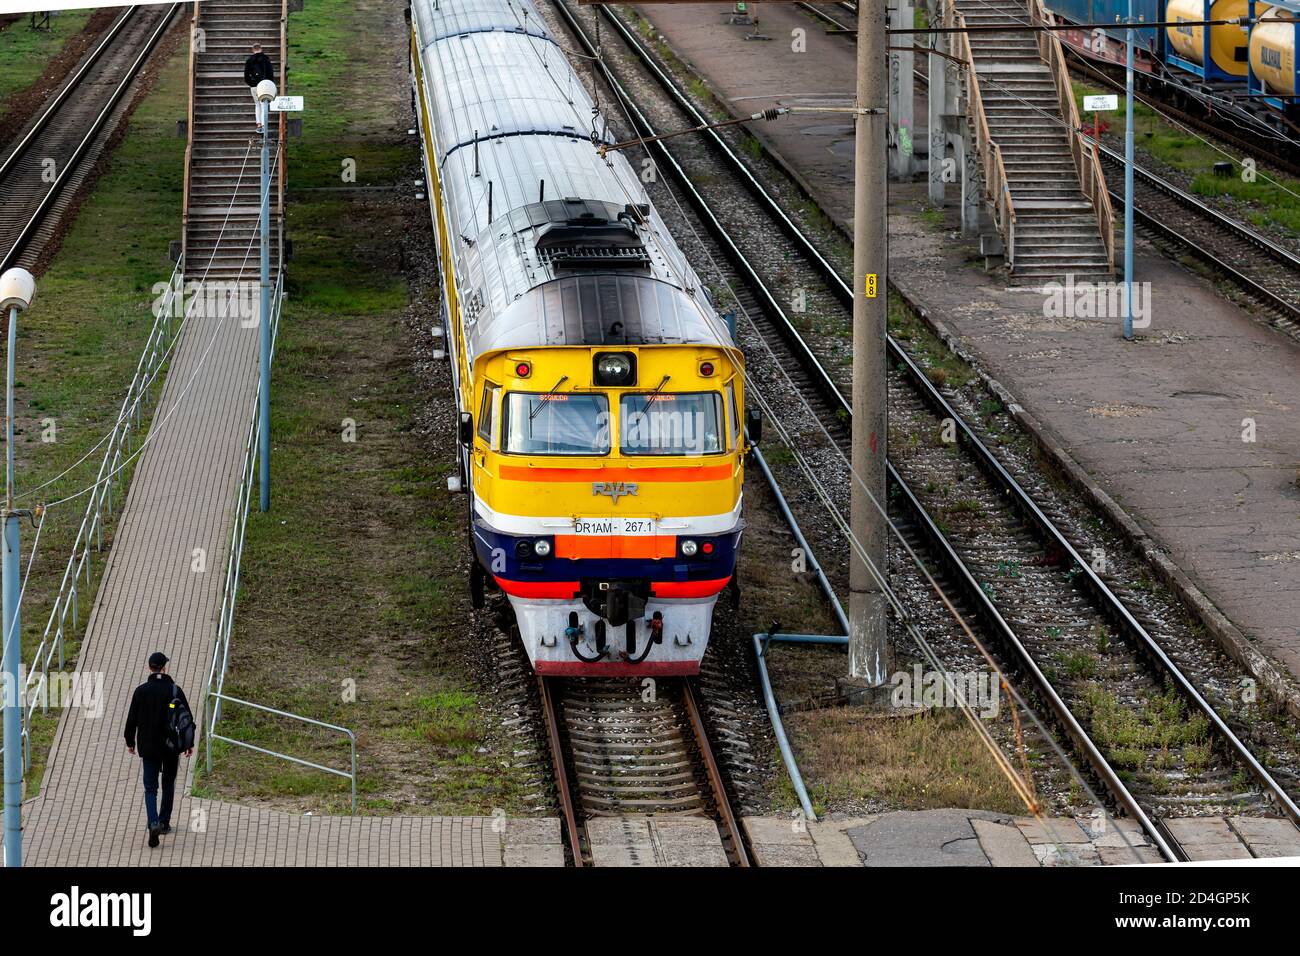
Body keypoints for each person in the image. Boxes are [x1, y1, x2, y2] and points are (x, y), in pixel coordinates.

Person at [124, 652, 193, 848]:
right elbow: (186, 717)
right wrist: (188, 743)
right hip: (171, 746)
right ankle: (164, 823)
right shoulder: (174, 690)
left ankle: (152, 821)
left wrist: (130, 742)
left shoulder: (141, 691)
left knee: (150, 788)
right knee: (168, 783)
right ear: (164, 668)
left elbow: (131, 720)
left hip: (148, 747)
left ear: (149, 668)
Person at [243, 42, 276, 132]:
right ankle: (264, 124)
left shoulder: (249, 60)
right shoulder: (266, 59)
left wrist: (251, 83)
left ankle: (258, 124)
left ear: (253, 50)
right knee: (263, 104)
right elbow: (270, 73)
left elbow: (246, 75)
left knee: (257, 104)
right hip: (265, 84)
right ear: (261, 49)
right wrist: (270, 83)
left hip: (254, 86)